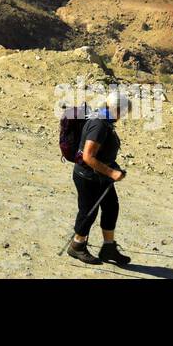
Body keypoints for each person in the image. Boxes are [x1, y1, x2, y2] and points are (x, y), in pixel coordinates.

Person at [67, 89, 131, 266]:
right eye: (124, 112)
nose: (123, 116)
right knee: (88, 212)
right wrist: (112, 173)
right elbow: (88, 156)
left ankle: (108, 248)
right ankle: (77, 246)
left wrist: (112, 167)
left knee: (111, 208)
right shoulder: (99, 124)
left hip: (100, 177)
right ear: (116, 109)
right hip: (88, 177)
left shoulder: (105, 120)